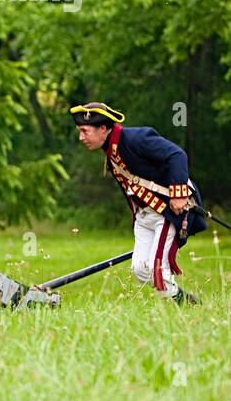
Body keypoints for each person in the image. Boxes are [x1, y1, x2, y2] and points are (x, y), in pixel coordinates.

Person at [71, 101, 205, 304]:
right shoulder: (111, 151)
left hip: (165, 211)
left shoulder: (136, 138)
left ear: (103, 129)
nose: (81, 137)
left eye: (84, 131)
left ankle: (181, 311)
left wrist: (178, 194)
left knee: (156, 268)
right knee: (141, 269)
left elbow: (177, 155)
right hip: (145, 216)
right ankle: (186, 302)